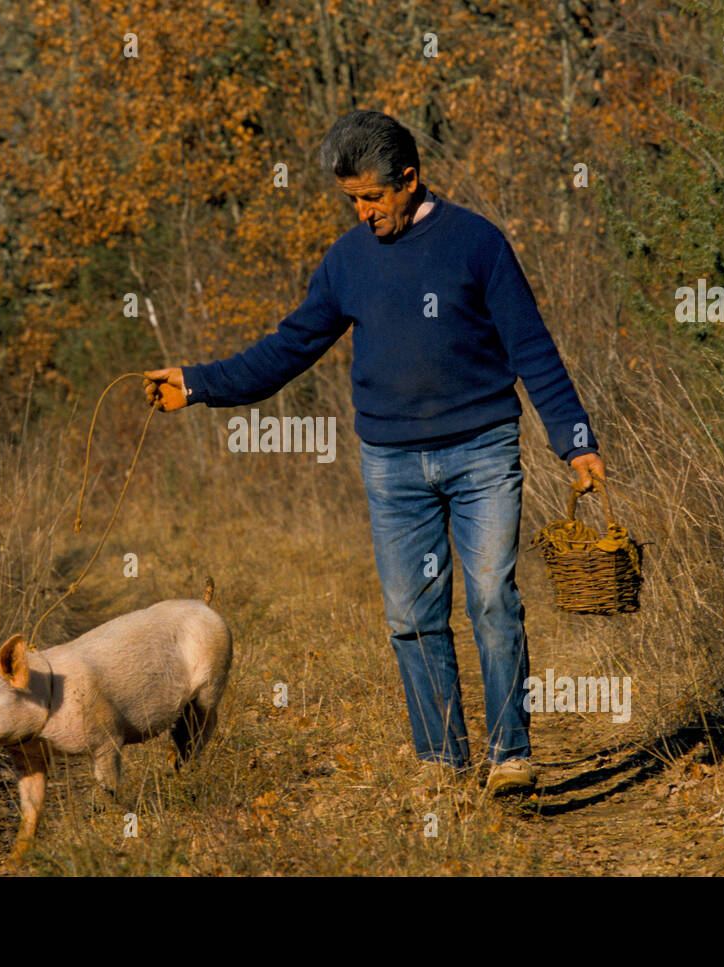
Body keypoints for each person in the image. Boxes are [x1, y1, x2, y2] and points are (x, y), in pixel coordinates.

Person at [144, 110, 606, 797]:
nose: (362, 212)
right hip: (391, 465)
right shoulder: (347, 262)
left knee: (491, 600)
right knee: (411, 617)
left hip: (482, 453)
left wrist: (574, 440)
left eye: (372, 196)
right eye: (351, 200)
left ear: (410, 179)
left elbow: (531, 346)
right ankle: (442, 765)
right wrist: (200, 382)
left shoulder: (477, 243)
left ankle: (511, 755)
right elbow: (286, 351)